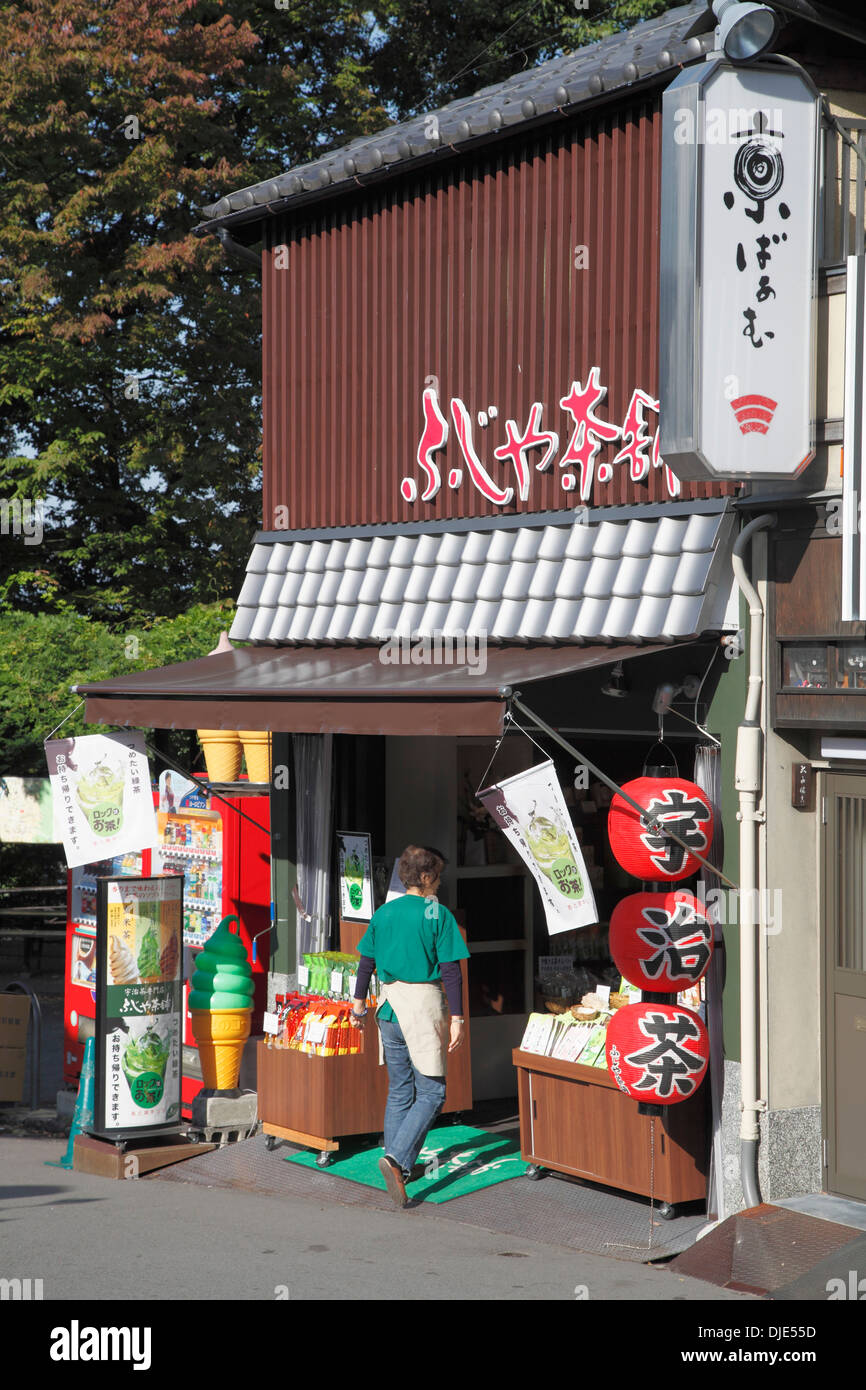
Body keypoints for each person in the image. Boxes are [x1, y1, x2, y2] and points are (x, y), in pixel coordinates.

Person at [350, 844, 469, 1208]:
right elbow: (451, 970)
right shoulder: (436, 912)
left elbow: (366, 961)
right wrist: (459, 1018)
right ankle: (397, 1160)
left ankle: (398, 1160)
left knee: (401, 1090)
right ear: (427, 877)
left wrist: (358, 1004)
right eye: (439, 875)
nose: (440, 882)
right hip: (422, 1008)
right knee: (432, 1093)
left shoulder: (385, 912)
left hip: (387, 1010)